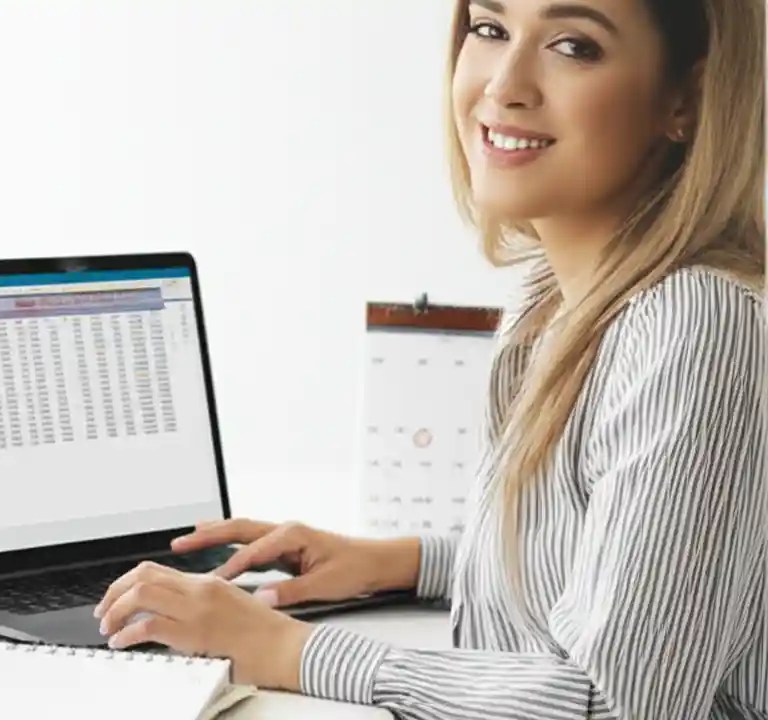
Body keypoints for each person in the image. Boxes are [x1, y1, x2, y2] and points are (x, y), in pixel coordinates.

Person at [93, 0, 766, 717]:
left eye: (573, 46)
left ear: (686, 100)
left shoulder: (698, 323)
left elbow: (621, 706)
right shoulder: (556, 302)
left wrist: (289, 650)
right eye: (489, 28)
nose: (504, 84)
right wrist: (402, 562)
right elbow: (602, 561)